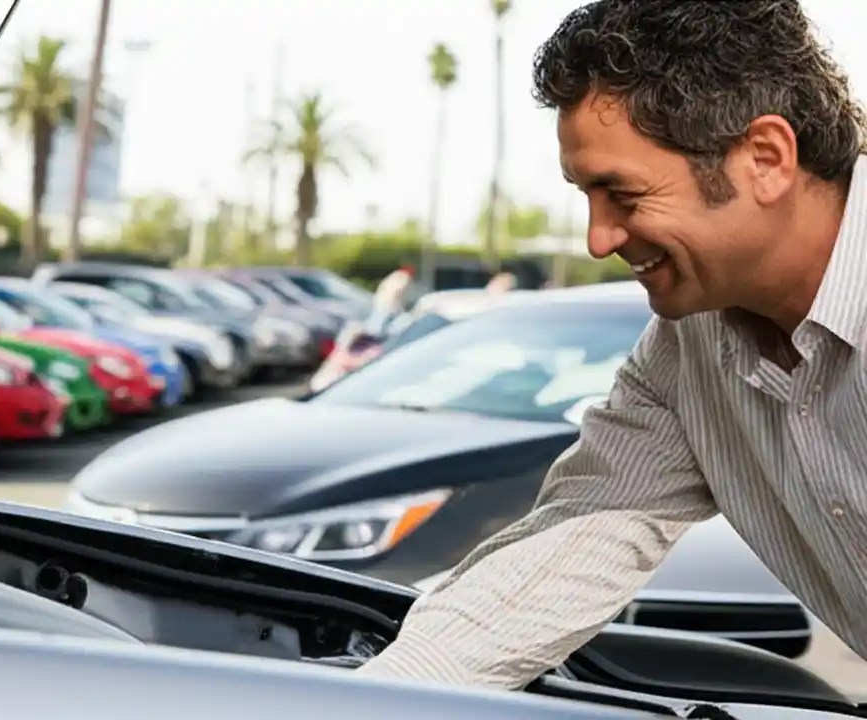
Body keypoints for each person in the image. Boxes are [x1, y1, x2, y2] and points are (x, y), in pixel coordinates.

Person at [355, 0, 867, 689]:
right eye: (586, 197)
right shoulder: (687, 354)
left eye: (620, 194)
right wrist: (365, 703)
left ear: (765, 159)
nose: (599, 240)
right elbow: (561, 557)